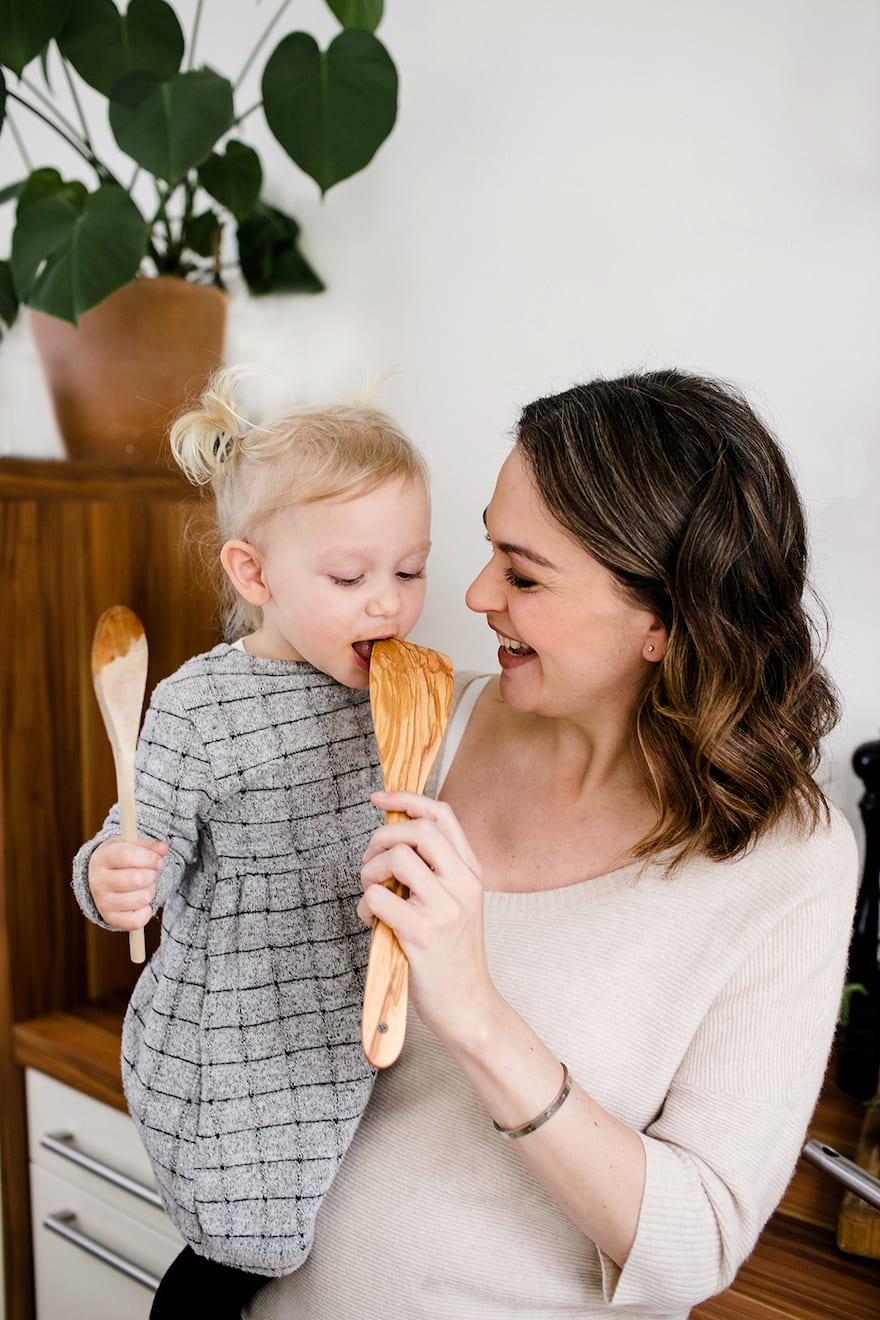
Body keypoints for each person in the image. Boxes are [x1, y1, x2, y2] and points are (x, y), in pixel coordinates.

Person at [248, 368, 858, 1320]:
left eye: (523, 574)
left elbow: (699, 1243)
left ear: (662, 619)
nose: (476, 591)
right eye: (491, 547)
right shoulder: (422, 719)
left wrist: (477, 1013)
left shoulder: (787, 861)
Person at [71, 368, 432, 1318]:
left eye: (410, 570)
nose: (387, 605)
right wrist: (111, 875)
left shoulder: (397, 695)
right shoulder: (199, 704)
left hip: (340, 1024)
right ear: (254, 575)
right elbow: (131, 833)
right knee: (239, 1251)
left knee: (319, 1240)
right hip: (227, 1040)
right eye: (351, 578)